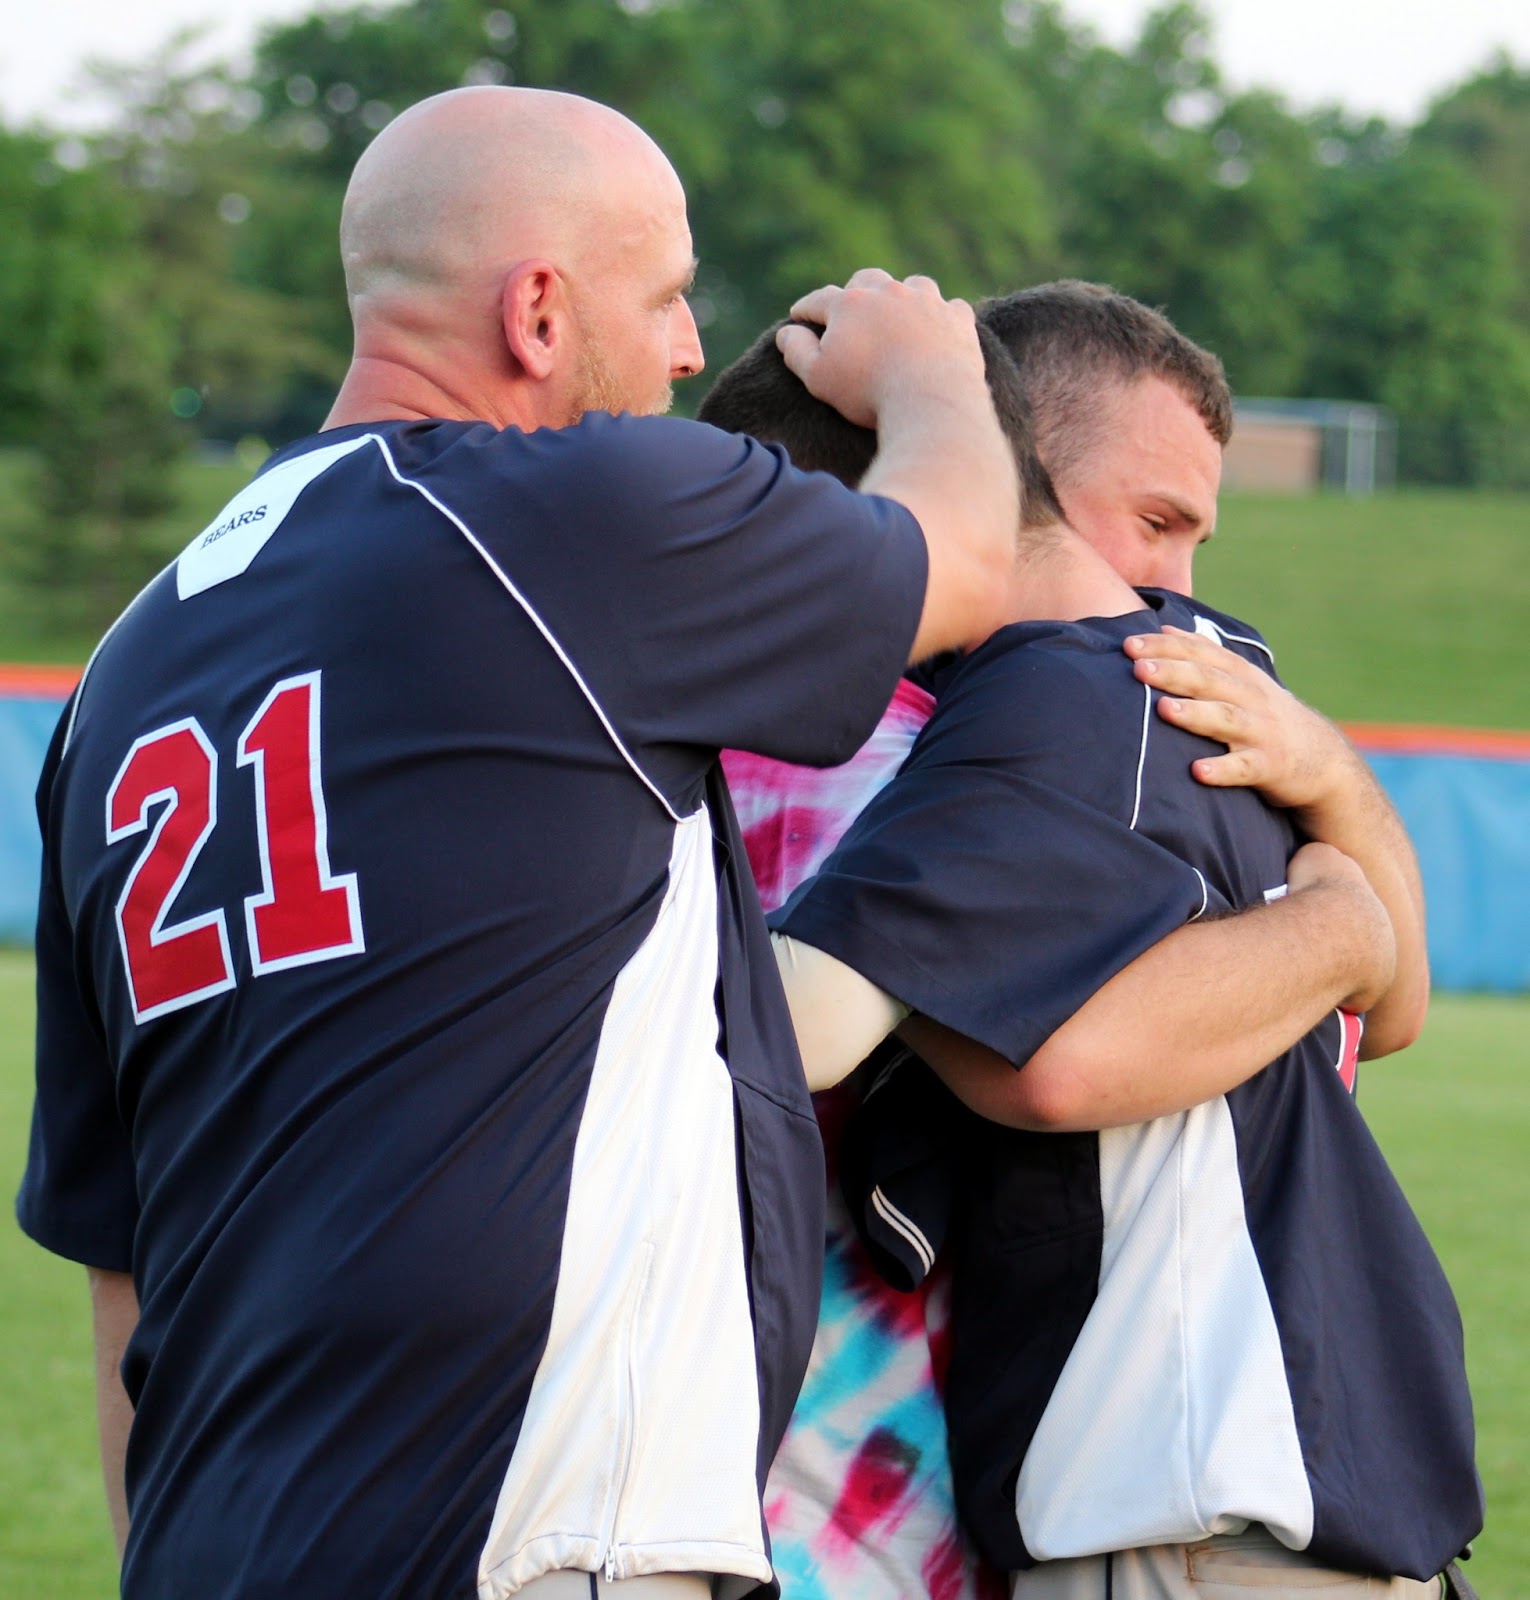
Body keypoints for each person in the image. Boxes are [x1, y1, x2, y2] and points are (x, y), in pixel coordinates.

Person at [15, 86, 1029, 1600]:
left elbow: (119, 1254)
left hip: (224, 1546)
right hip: (526, 1534)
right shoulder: (563, 514)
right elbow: (955, 564)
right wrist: (936, 370)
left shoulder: (127, 665)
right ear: (539, 313)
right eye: (669, 294)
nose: (691, 350)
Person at [698, 289, 1458, 1600]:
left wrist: (1337, 819)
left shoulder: (1113, 696)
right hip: (1269, 1479)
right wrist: (1344, 923)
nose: (1175, 583)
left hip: (1191, 1488)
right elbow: (1340, 1008)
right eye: (1153, 520)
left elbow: (1011, 1061)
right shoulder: (1084, 699)